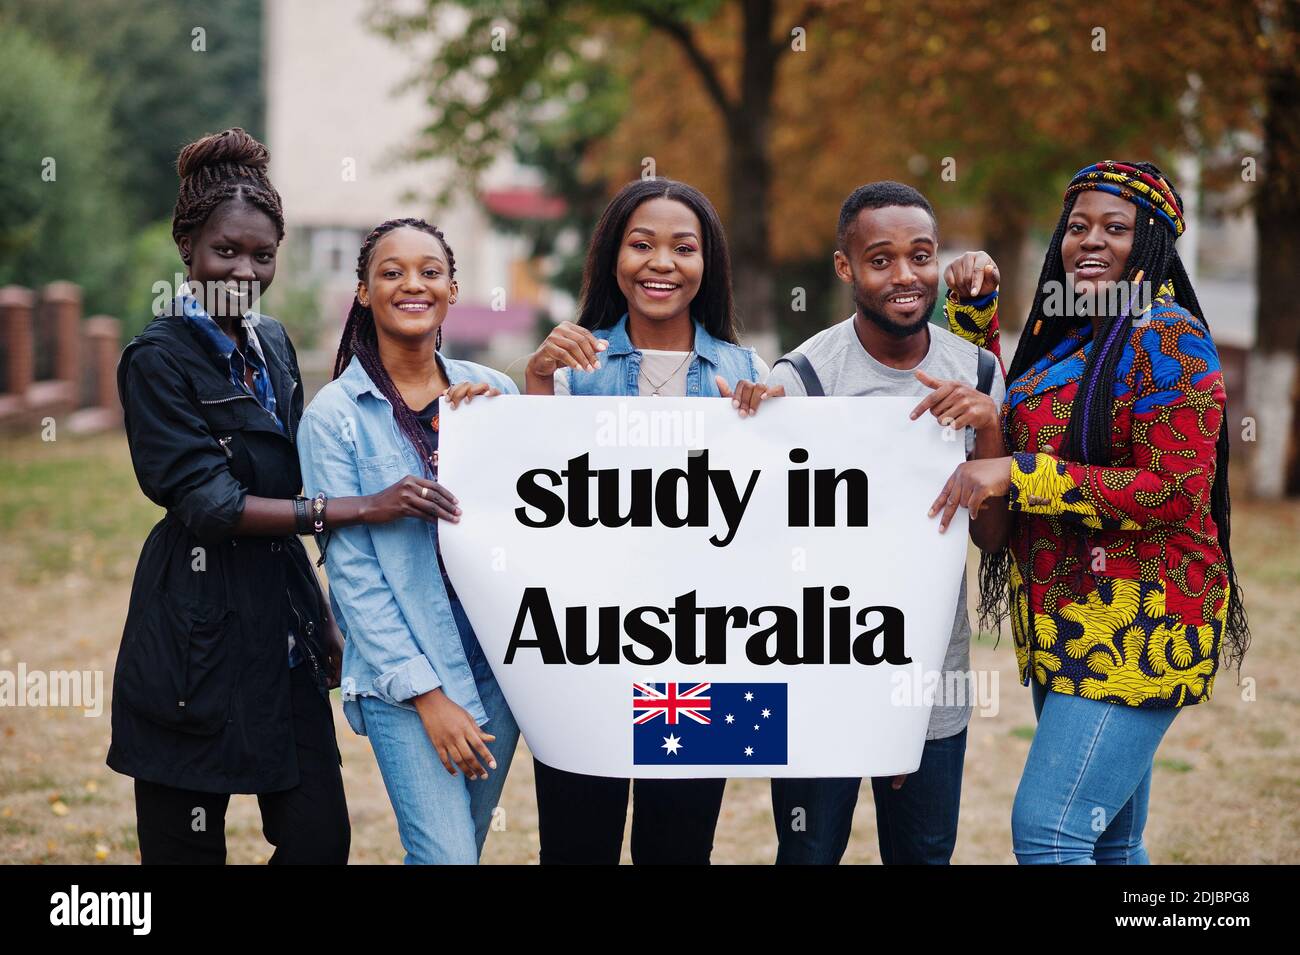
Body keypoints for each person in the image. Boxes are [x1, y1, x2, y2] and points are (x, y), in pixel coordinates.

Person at [933, 160, 1249, 864]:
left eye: (1115, 227)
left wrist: (1020, 476)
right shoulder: (1072, 337)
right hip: (1065, 621)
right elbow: (1011, 424)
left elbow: (1171, 489)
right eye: (1077, 227)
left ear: (1153, 243)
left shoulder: (1168, 338)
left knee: (1050, 833)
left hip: (1144, 622)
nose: (1091, 241)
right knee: (1110, 839)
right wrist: (975, 319)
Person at [110, 128, 411, 864]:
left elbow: (290, 473)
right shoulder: (157, 359)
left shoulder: (272, 344)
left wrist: (325, 621)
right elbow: (208, 504)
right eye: (226, 250)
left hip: (282, 628)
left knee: (319, 840)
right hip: (193, 631)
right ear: (188, 246)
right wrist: (359, 506)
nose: (244, 270)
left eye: (263, 255)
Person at [523, 178, 780, 863]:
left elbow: (772, 519)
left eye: (683, 247)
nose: (661, 262)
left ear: (709, 265)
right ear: (614, 257)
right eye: (642, 244)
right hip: (586, 649)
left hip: (704, 647)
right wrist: (538, 387)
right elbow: (534, 505)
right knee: (579, 846)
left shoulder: (746, 371)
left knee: (680, 847)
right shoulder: (575, 368)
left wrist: (766, 427)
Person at [762, 181, 1004, 865]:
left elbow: (992, 539)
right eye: (881, 259)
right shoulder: (805, 377)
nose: (905, 275)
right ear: (845, 268)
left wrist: (989, 432)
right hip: (823, 669)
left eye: (921, 256)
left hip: (931, 674)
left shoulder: (978, 369)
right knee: (807, 855)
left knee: (923, 856)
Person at [297, 218, 520, 864]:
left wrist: (501, 429)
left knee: (459, 854)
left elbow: (530, 520)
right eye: (391, 272)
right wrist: (429, 697)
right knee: (446, 859)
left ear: (453, 287)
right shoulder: (335, 417)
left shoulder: (491, 391)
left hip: (495, 666)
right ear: (363, 292)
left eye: (429, 270)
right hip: (404, 675)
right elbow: (354, 577)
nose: (411, 283)